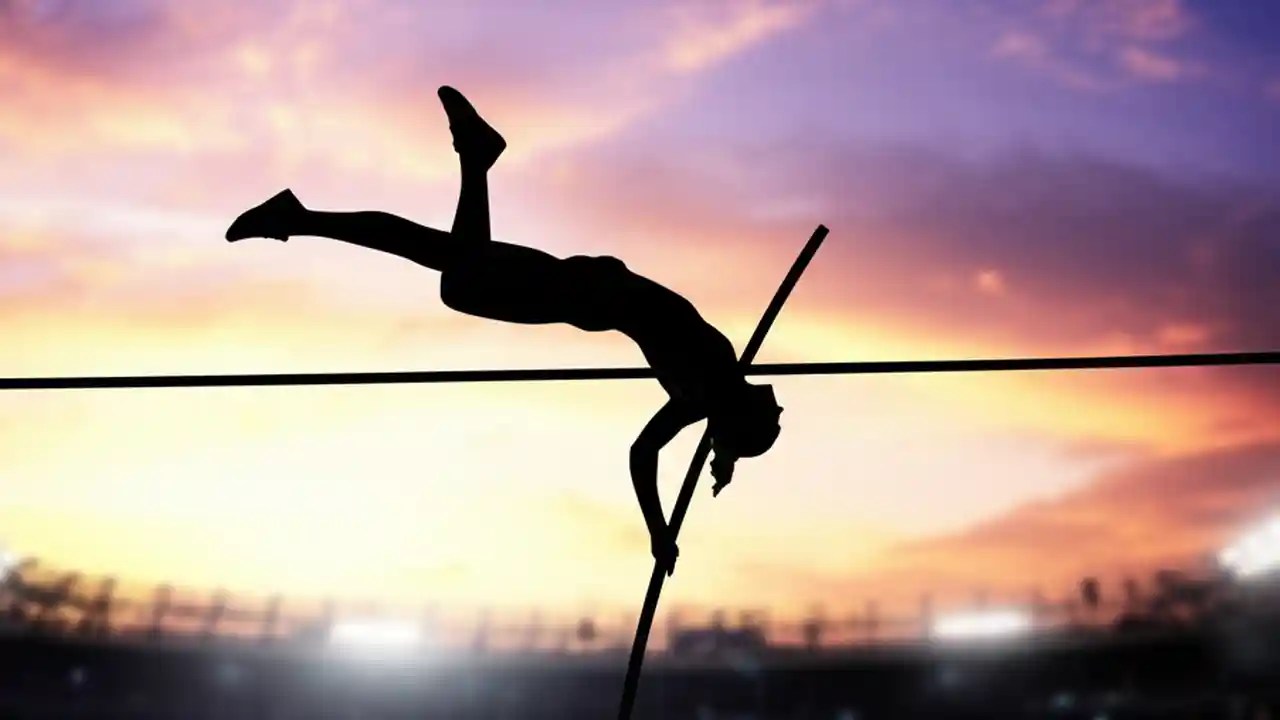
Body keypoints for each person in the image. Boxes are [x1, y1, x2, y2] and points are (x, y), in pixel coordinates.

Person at [225, 86, 782, 576]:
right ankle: (468, 159)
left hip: (587, 289)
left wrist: (724, 456)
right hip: (582, 293)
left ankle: (304, 217)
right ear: (730, 417)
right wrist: (660, 530)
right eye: (725, 432)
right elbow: (652, 447)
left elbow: (695, 418)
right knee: (458, 280)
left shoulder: (712, 385)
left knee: (444, 259)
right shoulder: (707, 388)